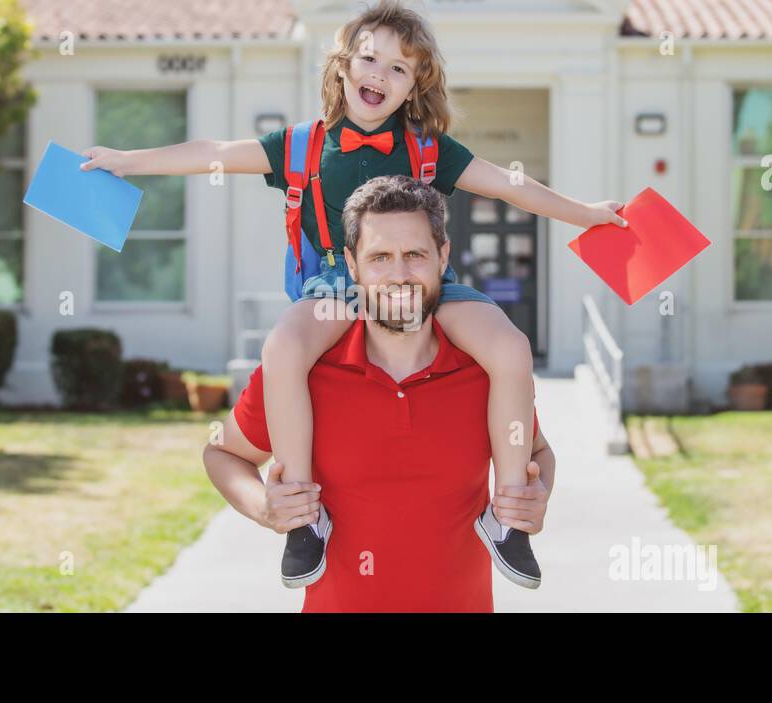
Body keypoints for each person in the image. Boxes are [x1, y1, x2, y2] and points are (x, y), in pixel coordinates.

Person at [81, 0, 621, 590]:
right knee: (285, 346)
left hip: (419, 286)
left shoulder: (429, 149)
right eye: (370, 59)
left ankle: (508, 519)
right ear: (341, 66)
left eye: (399, 69)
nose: (380, 75)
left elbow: (511, 185)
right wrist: (126, 161)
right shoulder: (299, 147)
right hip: (336, 287)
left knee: (512, 347)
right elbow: (212, 152)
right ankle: (304, 521)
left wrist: (586, 214)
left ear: (415, 87)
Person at [201, 175, 556, 611]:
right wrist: (267, 509)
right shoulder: (303, 373)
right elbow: (221, 453)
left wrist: (534, 498)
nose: (399, 275)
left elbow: (538, 454)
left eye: (415, 255)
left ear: (443, 257)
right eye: (380, 257)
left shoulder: (486, 371)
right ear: (351, 265)